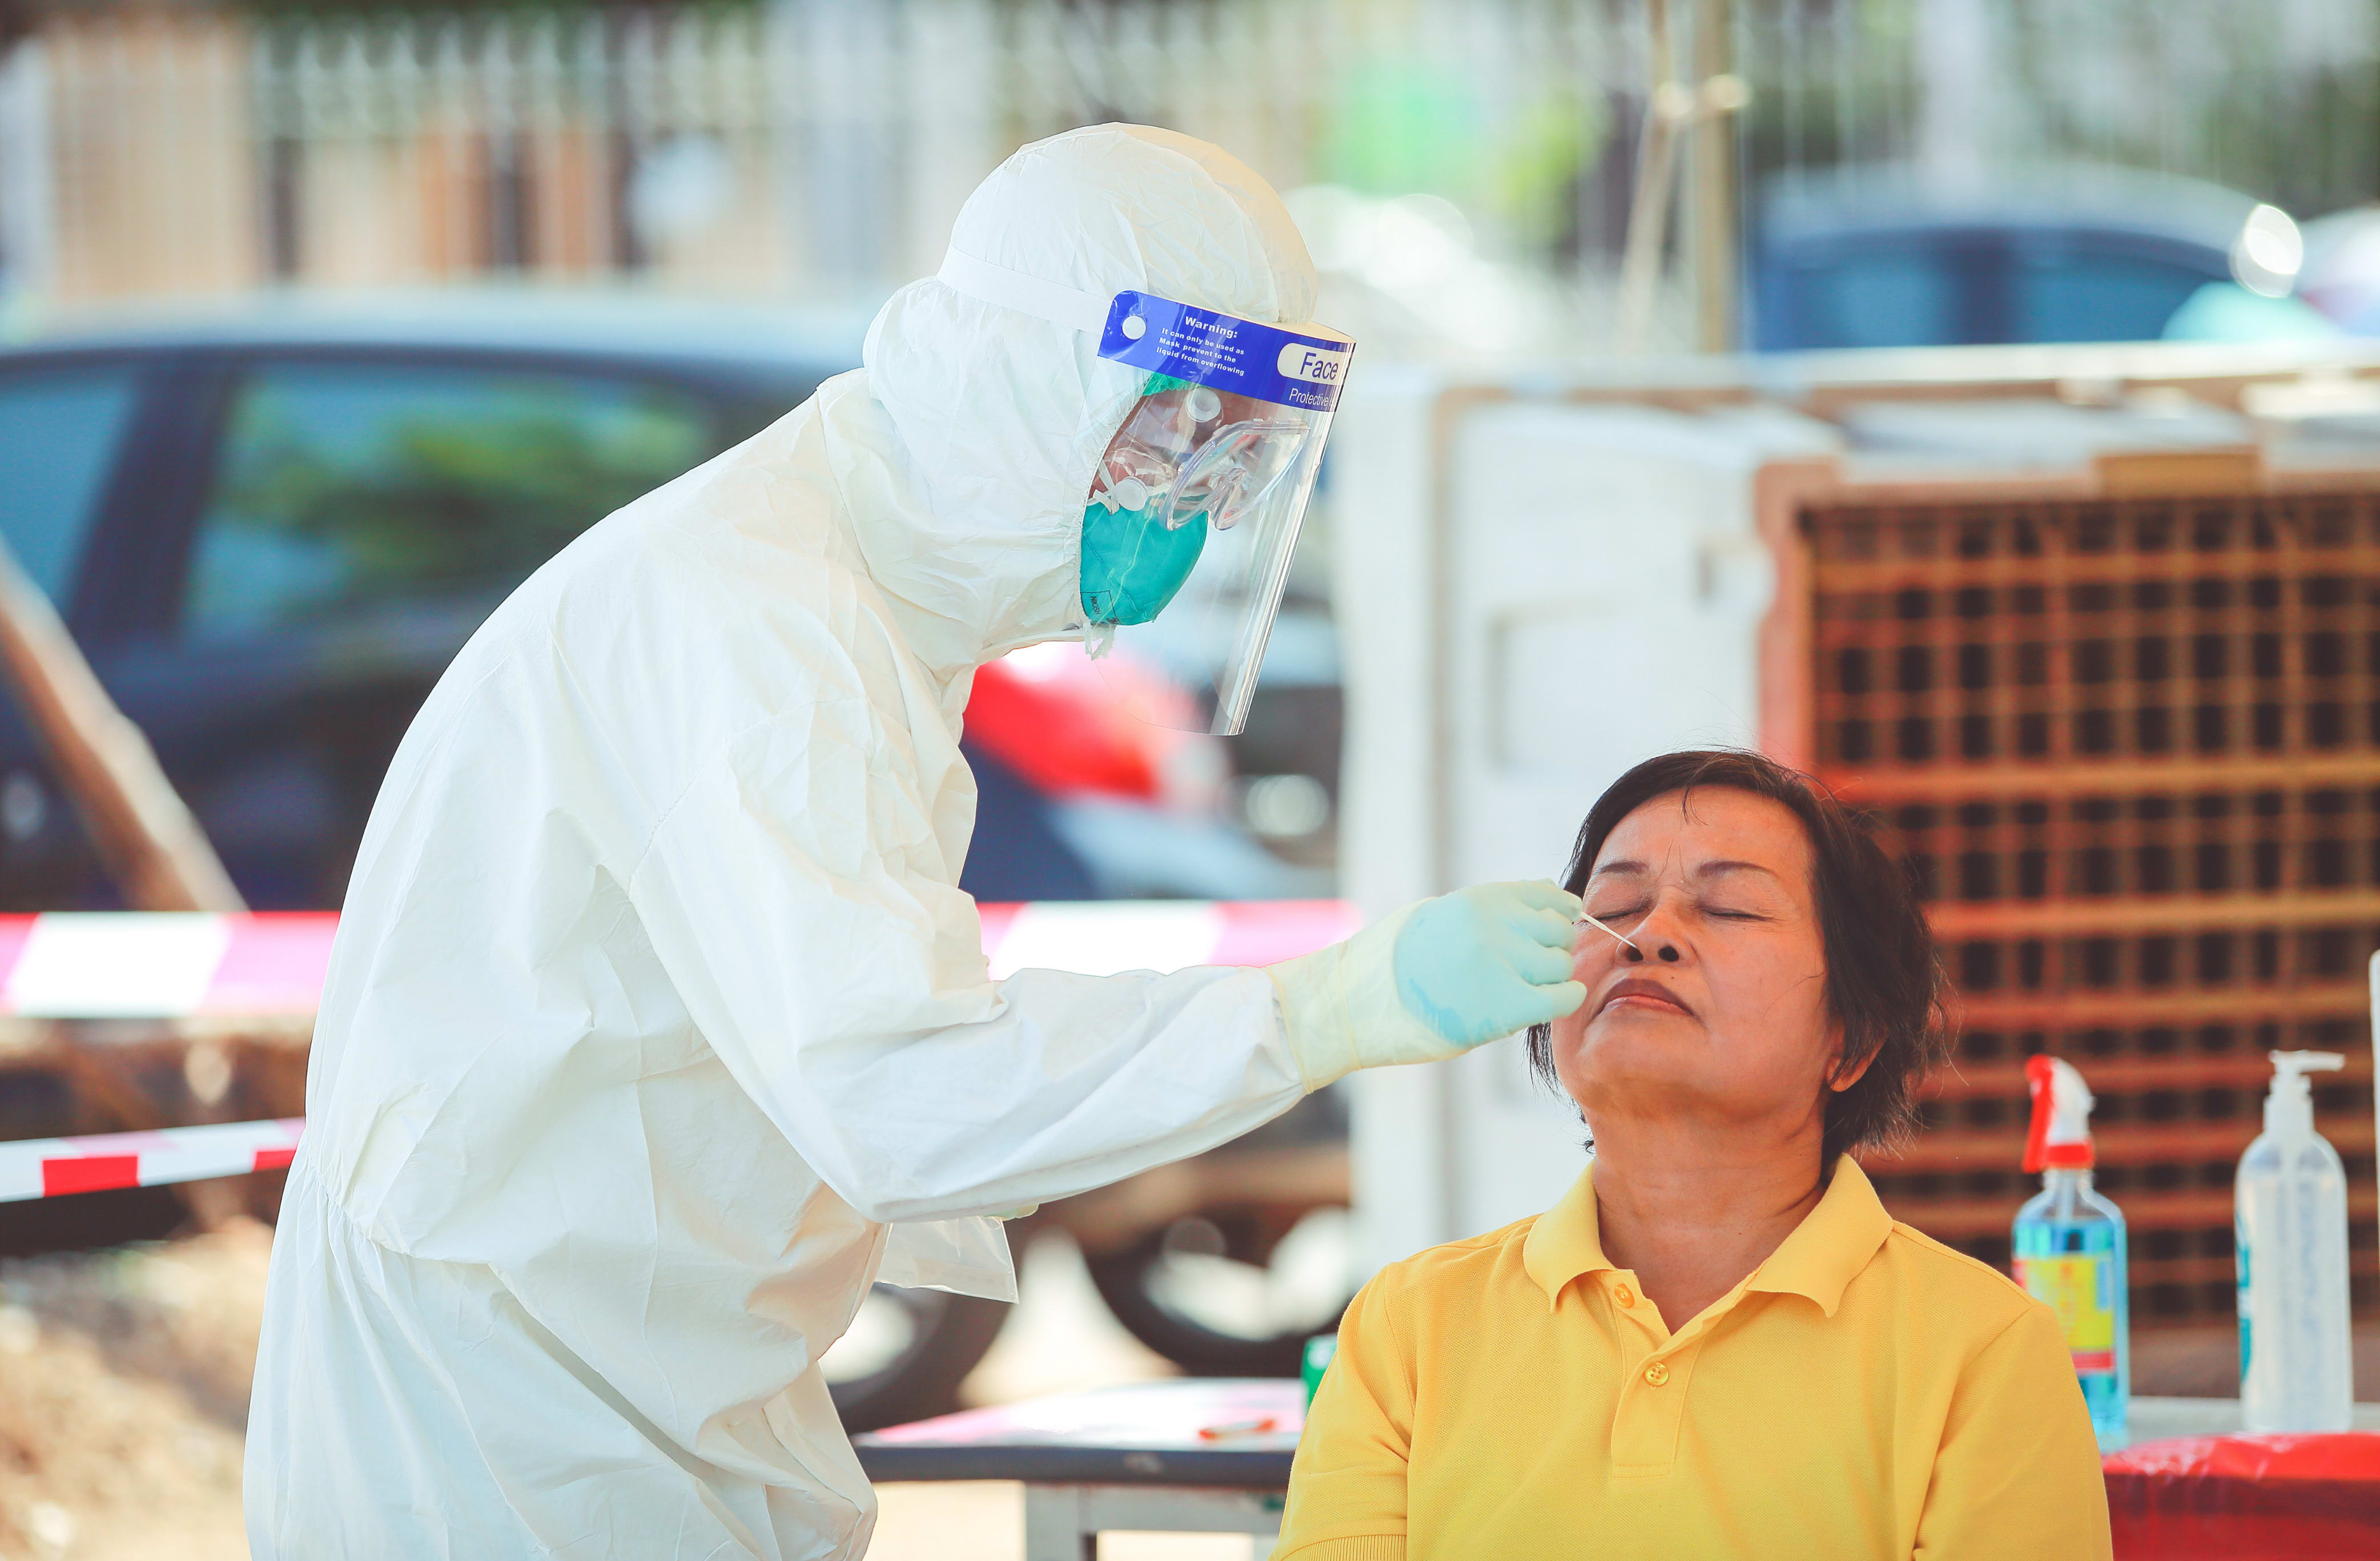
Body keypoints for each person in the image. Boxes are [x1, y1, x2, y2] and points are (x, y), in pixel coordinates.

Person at [242, 124, 1587, 1560]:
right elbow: (899, 1090)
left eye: (1236, 446)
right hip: (502, 1423)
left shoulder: (861, 596)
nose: (1193, 492)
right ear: (1017, 385)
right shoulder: (762, 622)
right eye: (1169, 426)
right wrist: (1327, 1006)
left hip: (644, 1369)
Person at [1274, 750, 2114, 1561]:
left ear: (1850, 1041)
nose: (1649, 936)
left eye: (1731, 909)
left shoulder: (1985, 1353)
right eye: (1615, 905)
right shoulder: (1407, 1328)